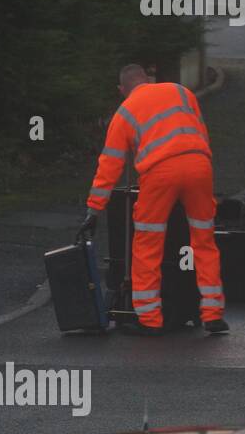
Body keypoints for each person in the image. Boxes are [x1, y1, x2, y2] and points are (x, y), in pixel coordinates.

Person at [81, 64, 228, 334]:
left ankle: (150, 319)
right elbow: (200, 131)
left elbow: (110, 165)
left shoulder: (124, 112)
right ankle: (213, 313)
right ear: (148, 79)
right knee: (204, 240)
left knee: (148, 243)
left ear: (121, 90)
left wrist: (93, 210)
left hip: (160, 174)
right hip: (199, 165)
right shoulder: (181, 92)